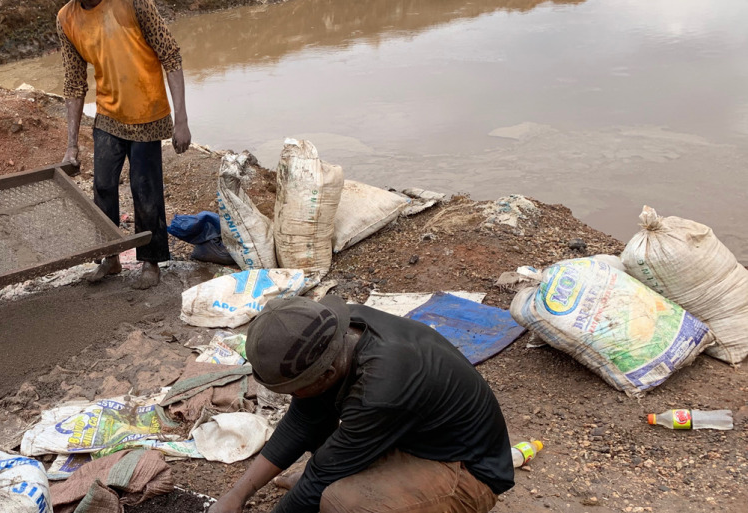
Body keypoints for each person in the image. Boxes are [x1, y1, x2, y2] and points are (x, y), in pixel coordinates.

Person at [210, 296, 515, 513]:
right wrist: (236, 496)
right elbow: (304, 421)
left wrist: (312, 486)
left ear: (327, 373)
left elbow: (319, 478)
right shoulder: (335, 332)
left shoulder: (382, 388)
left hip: (468, 471)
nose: (293, 397)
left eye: (295, 390)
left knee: (341, 502)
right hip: (413, 437)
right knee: (323, 461)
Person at [57, 0, 191, 289]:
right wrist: (71, 146)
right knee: (103, 186)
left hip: (147, 113)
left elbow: (171, 55)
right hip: (108, 114)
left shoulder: (133, 2)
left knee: (144, 188)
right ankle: (110, 257)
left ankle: (151, 260)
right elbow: (74, 83)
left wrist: (181, 121)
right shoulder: (67, 19)